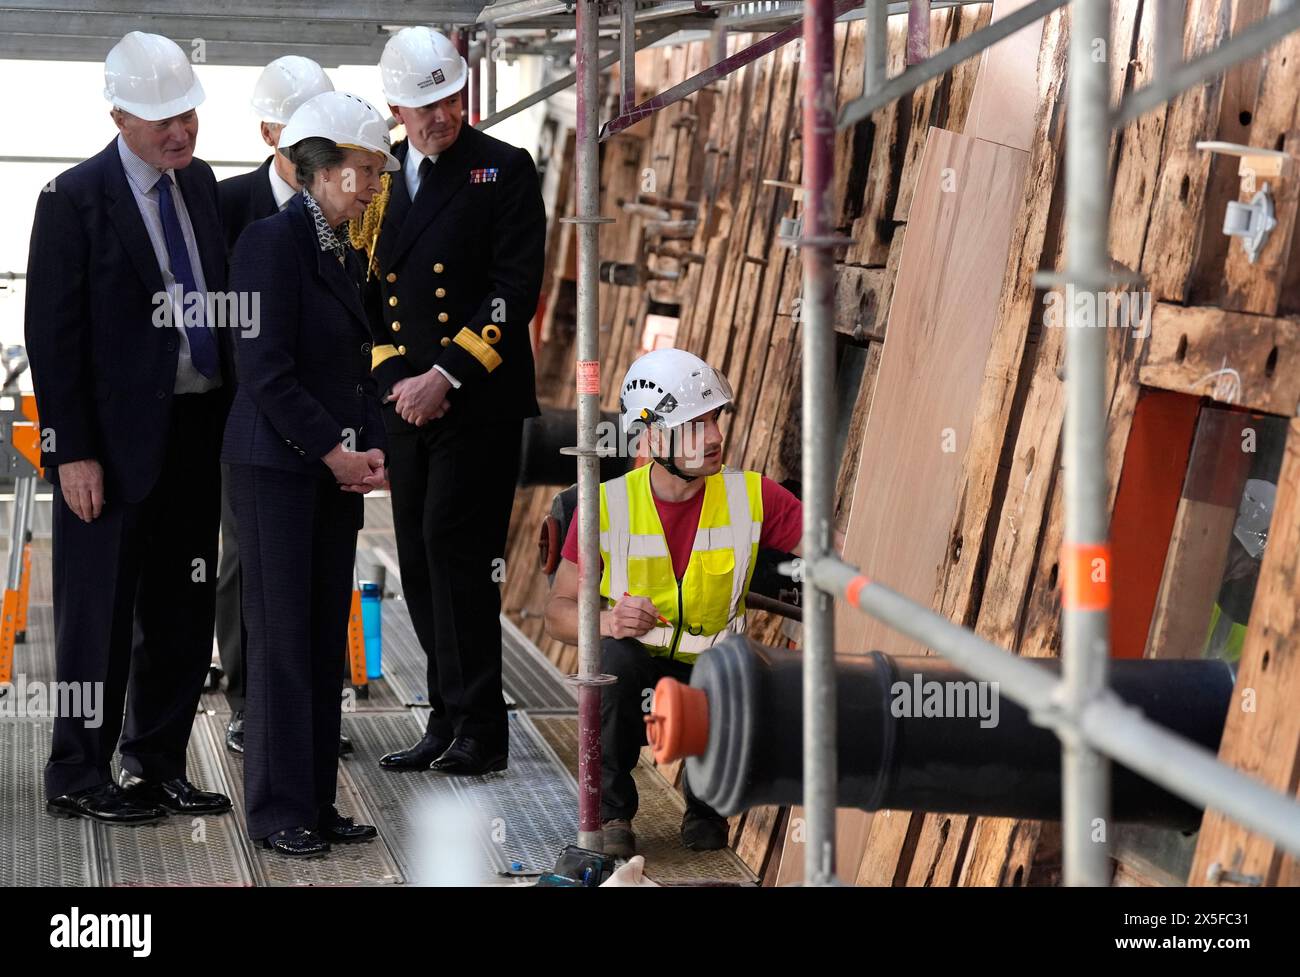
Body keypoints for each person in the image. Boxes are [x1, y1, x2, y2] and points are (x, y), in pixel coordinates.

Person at [26, 31, 233, 825]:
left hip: (191, 434)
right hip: (107, 451)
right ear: (117, 113)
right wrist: (71, 451)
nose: (178, 131)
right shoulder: (73, 199)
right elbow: (53, 335)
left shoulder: (200, 183)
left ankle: (155, 762)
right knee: (98, 617)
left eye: (186, 113)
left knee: (181, 611)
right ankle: (78, 771)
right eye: (159, 120)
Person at [359, 26, 547, 776]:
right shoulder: (381, 175)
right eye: (422, 103)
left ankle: (482, 726)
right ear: (394, 107)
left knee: (456, 550)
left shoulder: (502, 170)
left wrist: (445, 376)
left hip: (476, 403)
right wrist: (394, 380)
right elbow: (369, 291)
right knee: (419, 557)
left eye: (450, 98)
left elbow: (514, 291)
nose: (440, 114)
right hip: (408, 404)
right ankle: (444, 718)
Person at [543, 349, 803, 859]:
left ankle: (706, 808)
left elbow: (834, 546)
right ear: (653, 437)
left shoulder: (754, 497)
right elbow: (558, 612)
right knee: (610, 659)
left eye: (714, 420)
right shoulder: (605, 505)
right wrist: (608, 620)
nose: (713, 437)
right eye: (693, 426)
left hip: (714, 669)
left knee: (740, 669)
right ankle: (613, 812)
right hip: (638, 665)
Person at [223, 90, 393, 857]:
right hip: (276, 469)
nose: (370, 189)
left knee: (325, 638)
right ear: (318, 168)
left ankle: (316, 802)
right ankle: (276, 810)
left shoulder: (341, 249)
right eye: (362, 172)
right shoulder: (269, 242)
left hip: (327, 471)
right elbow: (263, 368)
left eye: (377, 175)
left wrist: (372, 443)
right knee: (283, 639)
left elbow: (356, 368)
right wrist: (335, 450)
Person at [215, 54, 336, 755]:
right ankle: (248, 702)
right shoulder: (231, 205)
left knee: (319, 566)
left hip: (326, 424)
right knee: (245, 561)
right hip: (254, 420)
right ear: (269, 132)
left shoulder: (351, 206)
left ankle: (310, 713)